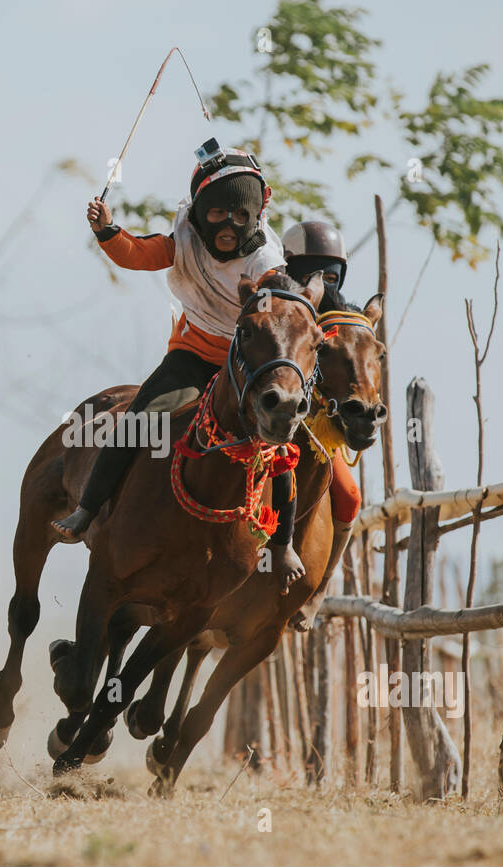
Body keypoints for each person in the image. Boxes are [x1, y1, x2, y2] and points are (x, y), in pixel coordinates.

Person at [52, 140, 306, 588]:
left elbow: (278, 300)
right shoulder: (185, 239)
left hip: (243, 365)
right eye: (216, 216)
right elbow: (140, 253)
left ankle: (282, 544)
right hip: (193, 353)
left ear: (256, 215)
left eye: (239, 217)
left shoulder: (266, 261)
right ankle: (88, 508)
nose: (228, 227)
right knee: (141, 417)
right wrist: (107, 231)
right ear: (198, 214)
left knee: (278, 445)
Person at [282, 220, 367, 627]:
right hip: (268, 420)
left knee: (349, 495)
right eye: (313, 273)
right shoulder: (277, 304)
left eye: (331, 274)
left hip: (317, 433)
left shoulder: (348, 320)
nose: (323, 283)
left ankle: (320, 588)